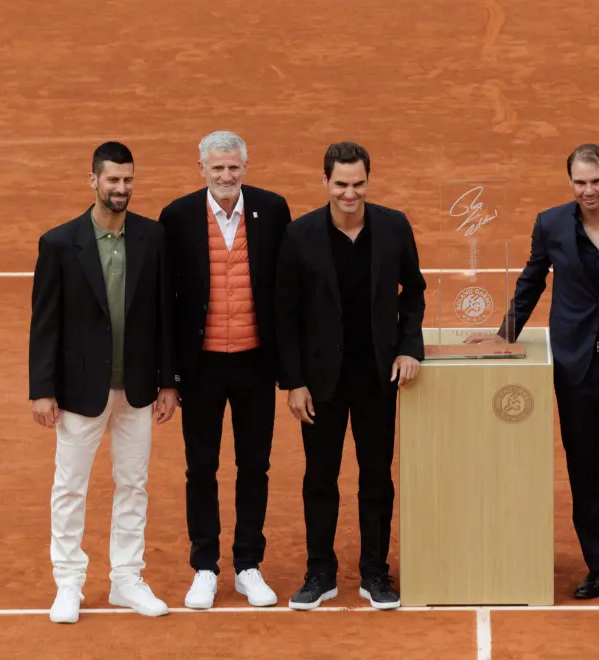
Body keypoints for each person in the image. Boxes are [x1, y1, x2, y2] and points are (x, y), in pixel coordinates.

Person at [467, 143, 599, 605]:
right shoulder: (551, 224)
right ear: (570, 183)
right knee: (586, 469)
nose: (589, 191)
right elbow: (532, 279)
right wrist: (503, 335)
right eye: (580, 182)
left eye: (597, 181)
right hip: (575, 367)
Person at [29, 141, 178, 623]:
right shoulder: (58, 243)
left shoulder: (152, 238)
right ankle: (68, 582)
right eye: (112, 180)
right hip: (78, 391)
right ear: (92, 180)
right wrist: (42, 388)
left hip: (136, 387)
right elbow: (45, 322)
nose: (121, 189)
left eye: (128, 180)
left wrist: (169, 381)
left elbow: (164, 316)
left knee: (133, 484)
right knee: (70, 487)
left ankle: (125, 580)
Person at [276, 142, 426, 611]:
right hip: (320, 383)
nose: (350, 193)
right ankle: (319, 572)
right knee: (320, 476)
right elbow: (285, 313)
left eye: (358, 184)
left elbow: (414, 293)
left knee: (377, 477)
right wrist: (294, 381)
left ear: (368, 180)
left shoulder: (394, 225)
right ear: (325, 182)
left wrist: (408, 349)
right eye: (341, 184)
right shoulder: (299, 235)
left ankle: (375, 572)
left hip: (378, 378)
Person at [158, 130, 292, 609]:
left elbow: (284, 291)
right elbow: (165, 305)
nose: (226, 176)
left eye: (233, 167)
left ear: (245, 166)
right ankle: (205, 567)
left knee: (255, 466)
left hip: (256, 364)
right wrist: (168, 379)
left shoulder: (273, 210)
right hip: (202, 369)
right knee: (202, 468)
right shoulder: (176, 217)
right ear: (202, 170)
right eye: (217, 168)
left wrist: (290, 369)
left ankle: (248, 565)